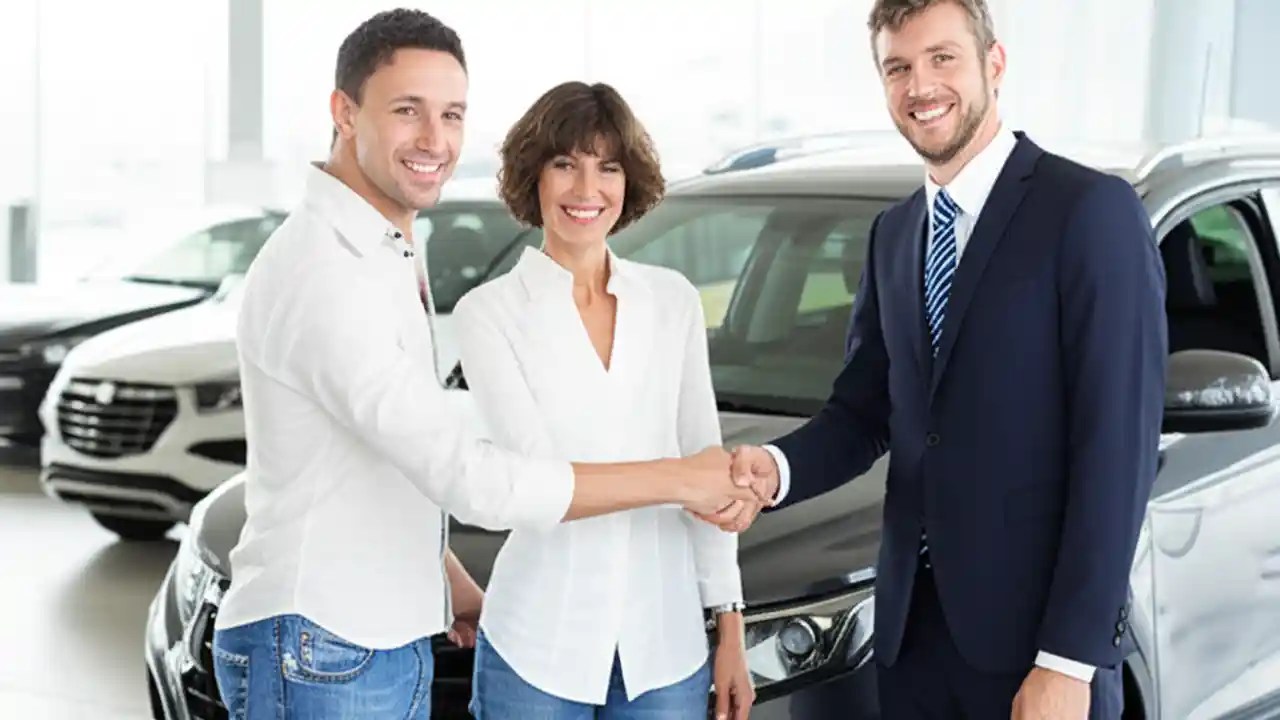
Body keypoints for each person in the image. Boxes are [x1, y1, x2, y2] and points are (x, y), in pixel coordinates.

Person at [210, 10, 756, 718]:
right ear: (344, 112)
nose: (434, 139)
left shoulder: (380, 249)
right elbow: (480, 482)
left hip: (366, 637)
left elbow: (385, 453)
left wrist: (443, 575)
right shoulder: (328, 271)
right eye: (407, 111)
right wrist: (684, 479)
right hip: (326, 639)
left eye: (452, 114)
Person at [713, 1, 1167, 718]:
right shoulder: (895, 235)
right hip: (909, 642)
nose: (920, 86)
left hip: (1035, 649)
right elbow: (864, 413)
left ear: (995, 63)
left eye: (942, 58)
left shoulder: (1088, 211)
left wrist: (1069, 660)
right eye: (898, 67)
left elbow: (1117, 448)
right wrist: (776, 470)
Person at [453, 81, 754, 720]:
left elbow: (709, 467)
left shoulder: (672, 301)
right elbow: (536, 487)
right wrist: (682, 480)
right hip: (538, 645)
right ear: (533, 176)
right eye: (565, 164)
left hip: (666, 650)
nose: (587, 189)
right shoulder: (489, 315)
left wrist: (729, 627)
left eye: (607, 167)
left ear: (628, 181)